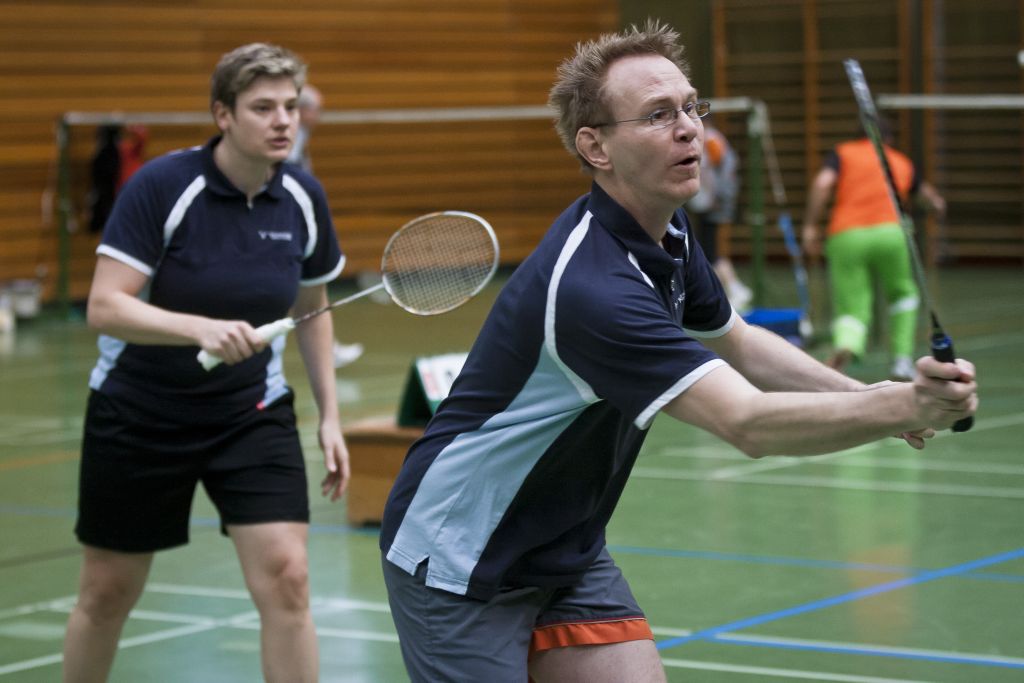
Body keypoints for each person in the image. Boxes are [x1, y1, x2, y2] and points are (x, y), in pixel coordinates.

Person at [378, 20, 977, 683]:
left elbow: (741, 342)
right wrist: (901, 405)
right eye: (659, 115)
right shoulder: (592, 289)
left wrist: (864, 395)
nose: (690, 127)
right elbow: (745, 422)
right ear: (596, 146)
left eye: (692, 106)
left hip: (565, 547)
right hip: (462, 556)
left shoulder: (668, 233)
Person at [62, 43, 351, 683]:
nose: (283, 121)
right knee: (106, 592)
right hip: (139, 411)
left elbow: (314, 305)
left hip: (249, 413)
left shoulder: (301, 196)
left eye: (291, 107)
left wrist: (331, 415)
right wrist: (200, 328)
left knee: (288, 578)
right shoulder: (163, 187)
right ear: (223, 114)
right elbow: (105, 307)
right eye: (263, 108)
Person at [802, 121, 946, 381]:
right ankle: (901, 359)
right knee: (903, 294)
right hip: (892, 233)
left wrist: (811, 225)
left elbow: (823, 183)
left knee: (852, 303)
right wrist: (936, 206)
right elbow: (928, 196)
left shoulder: (843, 153)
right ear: (888, 139)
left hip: (846, 235)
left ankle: (847, 344)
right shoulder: (900, 161)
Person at [286, 83, 365, 368]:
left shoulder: (300, 137)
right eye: (317, 109)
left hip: (297, 224)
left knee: (304, 292)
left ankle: (328, 349)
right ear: (304, 110)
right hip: (290, 227)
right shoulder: (289, 139)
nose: (320, 115)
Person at [686, 119, 753, 310]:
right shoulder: (715, 140)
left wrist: (714, 198)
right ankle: (732, 288)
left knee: (710, 251)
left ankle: (735, 288)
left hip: (713, 203)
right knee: (709, 249)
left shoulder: (711, 140)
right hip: (714, 201)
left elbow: (713, 172)